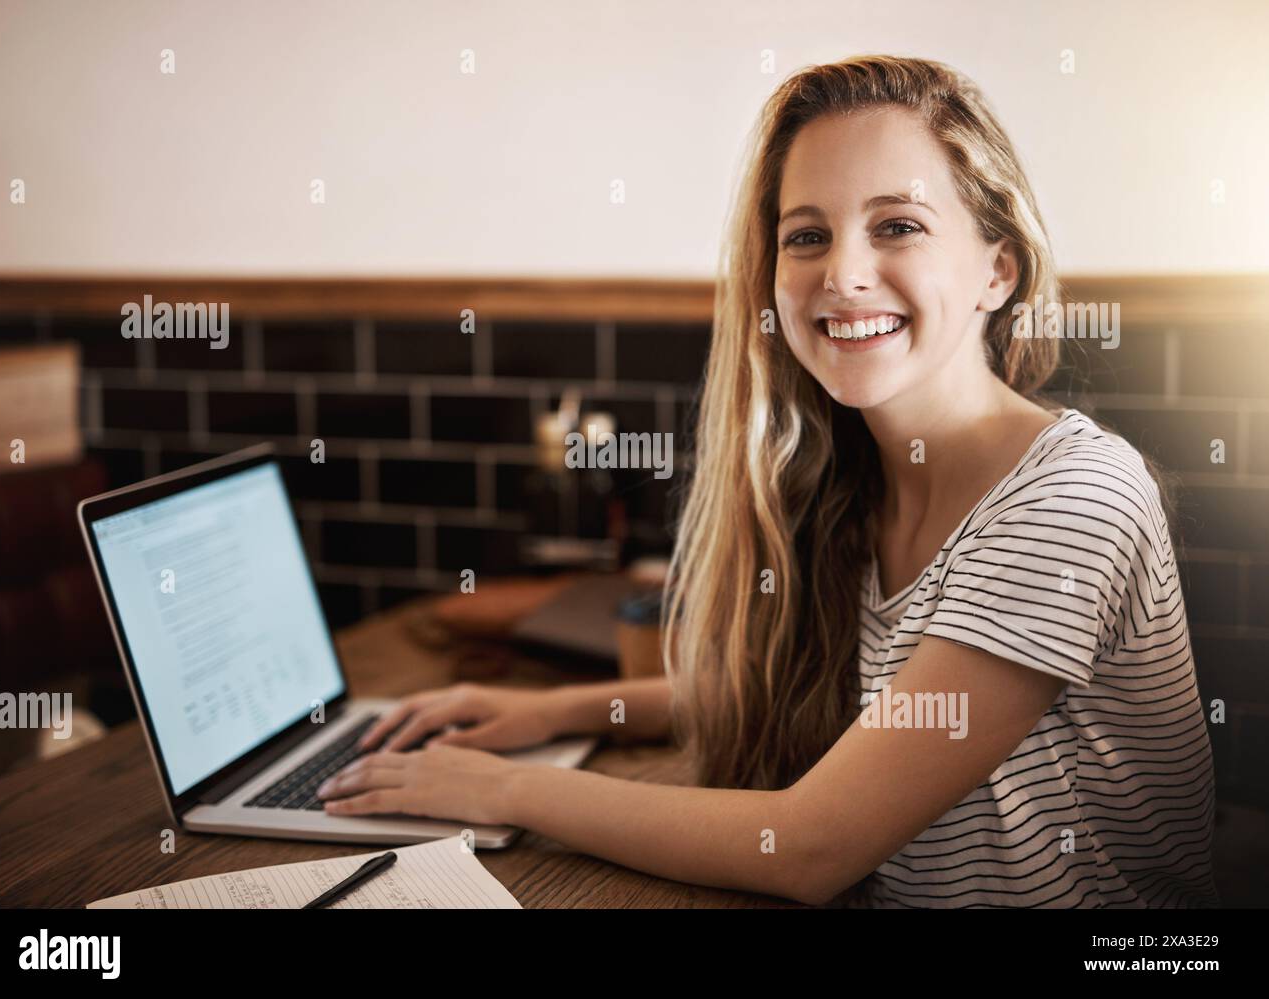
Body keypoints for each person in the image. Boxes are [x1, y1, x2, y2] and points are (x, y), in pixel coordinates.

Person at [316, 55, 1219, 908]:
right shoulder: (855, 478)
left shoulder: (1072, 494)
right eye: (807, 236)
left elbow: (812, 844)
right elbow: (845, 695)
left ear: (997, 267)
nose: (843, 273)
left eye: (897, 225)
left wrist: (507, 789)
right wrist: (545, 711)